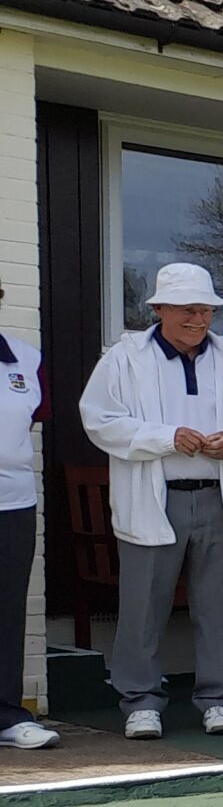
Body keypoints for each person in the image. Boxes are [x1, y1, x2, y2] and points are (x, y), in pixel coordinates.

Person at [77, 261, 223, 739]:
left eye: (205, 310)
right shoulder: (124, 358)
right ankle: (140, 700)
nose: (198, 320)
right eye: (187, 310)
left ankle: (219, 700)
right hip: (153, 500)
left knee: (220, 607)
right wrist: (165, 438)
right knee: (142, 605)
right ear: (158, 309)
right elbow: (98, 420)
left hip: (219, 497)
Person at [0, 281, 59, 750]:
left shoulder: (26, 360)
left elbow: (30, 420)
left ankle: (6, 715)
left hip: (13, 503)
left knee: (7, 608)